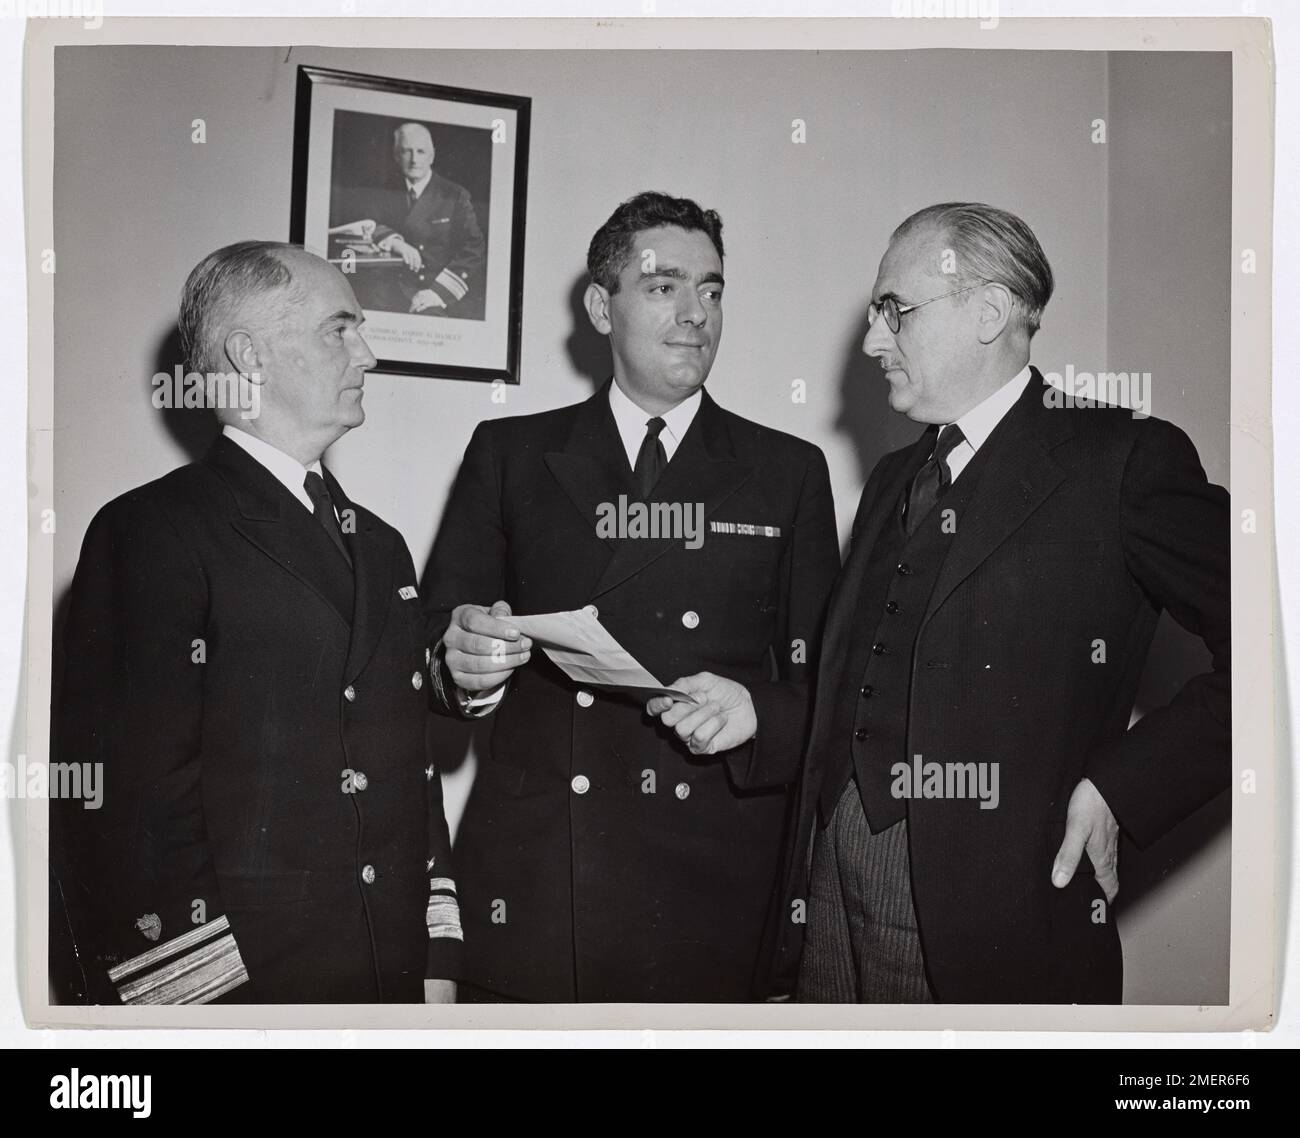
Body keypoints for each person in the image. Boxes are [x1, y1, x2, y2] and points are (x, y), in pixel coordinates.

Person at [760, 202, 1230, 1004]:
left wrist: (1124, 786)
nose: (873, 341)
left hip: (988, 909)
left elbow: (1277, 639)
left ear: (987, 311)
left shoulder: (1123, 458)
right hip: (831, 886)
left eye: (894, 312)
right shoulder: (890, 481)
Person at [424, 191, 840, 1002]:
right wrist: (461, 662)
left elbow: (827, 690)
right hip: (542, 877)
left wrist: (763, 711)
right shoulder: (511, 451)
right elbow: (434, 648)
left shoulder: (788, 472)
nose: (695, 314)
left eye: (712, 290)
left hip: (710, 878)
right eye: (663, 286)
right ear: (599, 307)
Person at [51, 241, 463, 1004]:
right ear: (250, 356)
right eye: (338, 330)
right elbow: (127, 805)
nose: (366, 353)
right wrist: (205, 1011)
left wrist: (437, 954)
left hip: (392, 978)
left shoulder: (381, 544)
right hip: (251, 993)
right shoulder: (152, 532)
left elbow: (412, 767)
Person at [352, 122, 486, 319]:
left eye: (421, 152)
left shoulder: (454, 195)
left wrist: (437, 293)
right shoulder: (383, 189)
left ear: (432, 156)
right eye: (407, 152)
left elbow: (474, 249)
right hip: (388, 289)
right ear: (397, 156)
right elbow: (366, 221)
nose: (414, 160)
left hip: (433, 290)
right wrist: (395, 242)